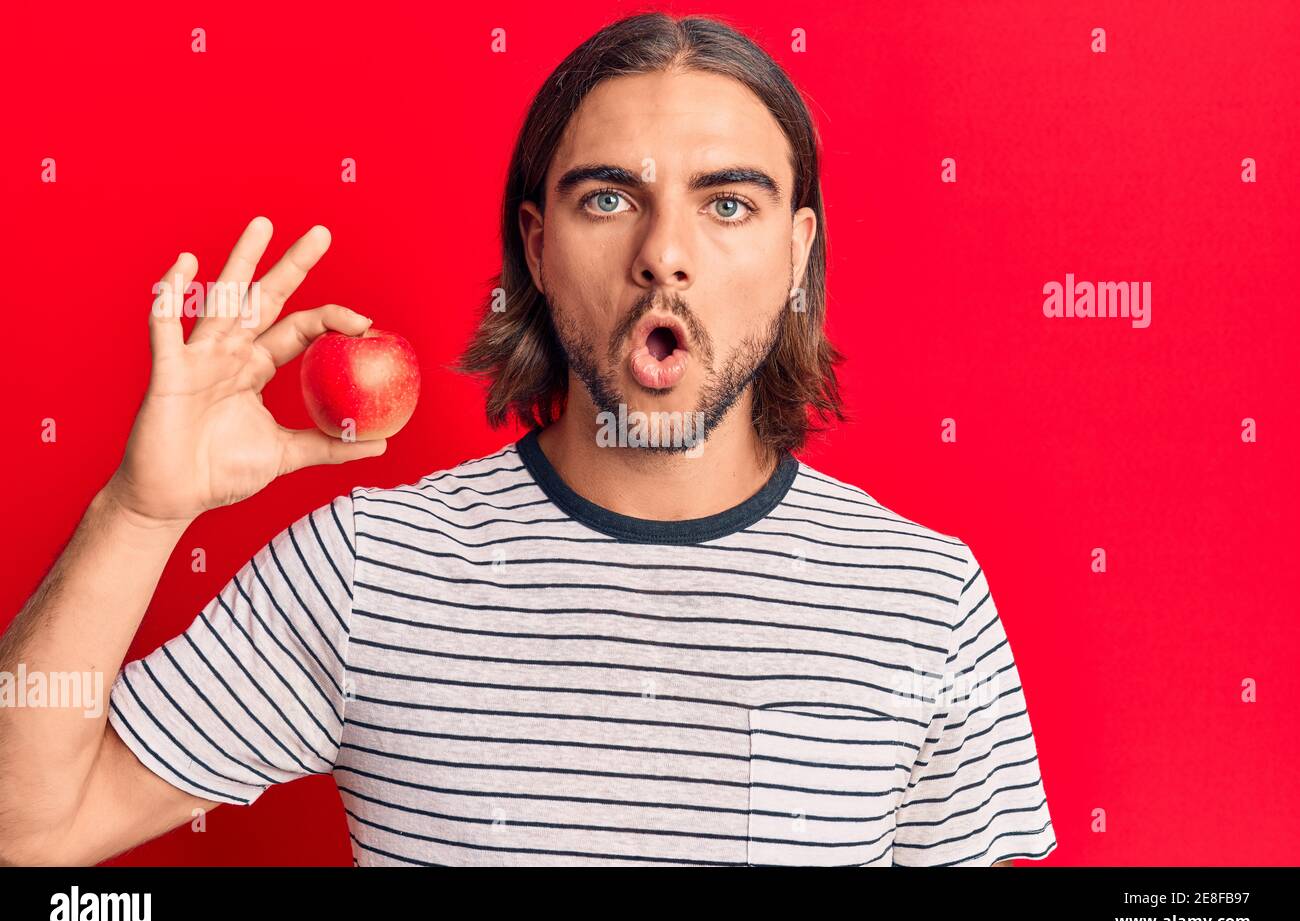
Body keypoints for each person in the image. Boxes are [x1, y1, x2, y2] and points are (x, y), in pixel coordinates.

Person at [0, 12, 1055, 867]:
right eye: (609, 198)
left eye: (727, 202)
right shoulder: (373, 567)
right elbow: (26, 832)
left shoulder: (920, 595)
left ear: (794, 255)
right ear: (539, 252)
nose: (665, 255)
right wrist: (142, 512)